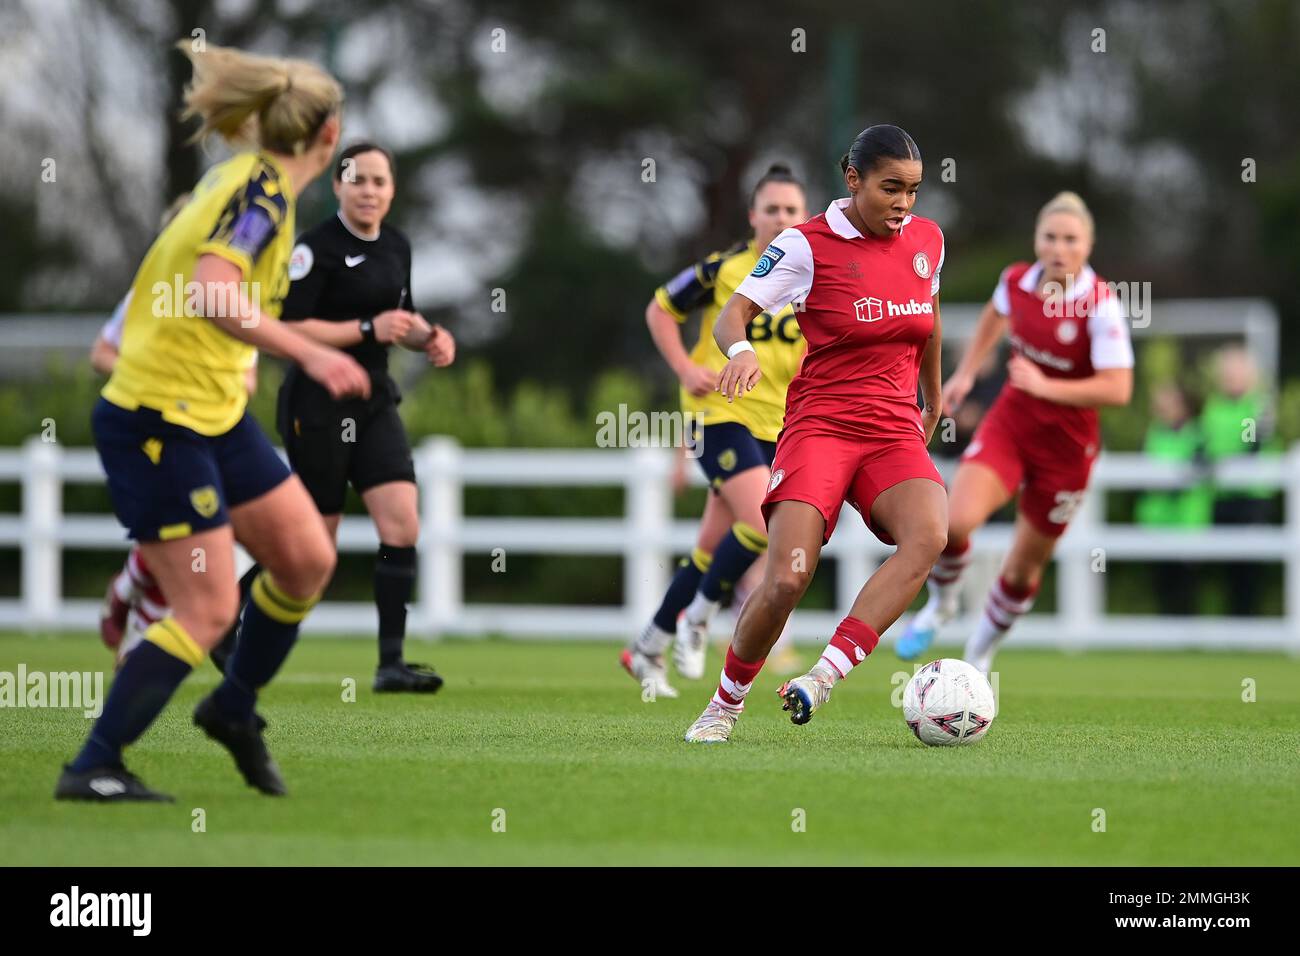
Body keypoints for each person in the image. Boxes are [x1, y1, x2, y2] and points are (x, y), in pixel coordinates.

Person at [56, 41, 369, 802]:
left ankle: (231, 707)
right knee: (208, 606)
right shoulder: (258, 200)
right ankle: (94, 767)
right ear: (329, 139)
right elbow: (214, 294)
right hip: (157, 420)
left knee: (305, 560)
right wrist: (310, 355)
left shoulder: (241, 179)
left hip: (214, 419)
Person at [682, 125, 948, 743]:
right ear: (852, 179)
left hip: (889, 430)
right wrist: (741, 351)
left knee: (929, 534)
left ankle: (824, 676)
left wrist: (932, 401)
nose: (904, 203)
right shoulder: (806, 246)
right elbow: (731, 315)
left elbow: (928, 323)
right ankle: (724, 703)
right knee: (787, 577)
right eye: (890, 188)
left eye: (912, 189)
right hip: (821, 427)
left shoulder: (928, 241)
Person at [213, 142, 455, 692]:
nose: (369, 191)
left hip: (373, 401)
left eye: (379, 182)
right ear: (338, 187)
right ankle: (223, 613)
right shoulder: (314, 248)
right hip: (317, 404)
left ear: (392, 191)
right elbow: (286, 328)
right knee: (314, 547)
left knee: (402, 523)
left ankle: (390, 663)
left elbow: (402, 317)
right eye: (358, 180)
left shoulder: (397, 245)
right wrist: (366, 329)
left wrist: (431, 339)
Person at [896, 191, 1134, 673]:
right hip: (1011, 424)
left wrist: (1047, 385)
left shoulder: (1100, 304)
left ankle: (979, 651)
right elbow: (993, 316)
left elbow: (1118, 388)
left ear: (1088, 245)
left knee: (1024, 569)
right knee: (954, 522)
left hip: (1067, 450)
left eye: (1070, 239)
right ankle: (941, 605)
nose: (1059, 249)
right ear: (1037, 240)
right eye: (1050, 237)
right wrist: (966, 372)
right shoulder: (1016, 281)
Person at [622, 165, 808, 697]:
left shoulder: (810, 275)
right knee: (766, 528)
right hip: (717, 416)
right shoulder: (726, 269)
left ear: (805, 216)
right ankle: (700, 616)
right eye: (770, 208)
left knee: (709, 550)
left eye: (791, 210)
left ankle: (649, 644)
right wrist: (684, 368)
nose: (780, 218)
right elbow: (660, 308)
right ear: (752, 215)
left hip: (777, 427)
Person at [94, 194, 261, 668]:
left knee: (202, 533)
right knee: (180, 530)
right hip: (153, 428)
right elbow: (101, 353)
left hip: (211, 430)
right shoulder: (150, 296)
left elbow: (247, 376)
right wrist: (154, 376)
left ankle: (131, 599)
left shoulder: (232, 297)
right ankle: (139, 623)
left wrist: (218, 387)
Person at [1200, 346, 1278, 616]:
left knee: (1249, 569)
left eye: (1236, 372)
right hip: (1221, 495)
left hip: (1251, 496)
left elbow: (1252, 445)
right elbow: (1206, 441)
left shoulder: (1258, 405)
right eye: (1227, 373)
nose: (1231, 377)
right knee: (1226, 566)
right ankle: (1230, 626)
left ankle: (1249, 622)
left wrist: (1224, 463)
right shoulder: (1213, 405)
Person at [1135, 382, 1211, 615]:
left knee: (1187, 585)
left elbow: (1202, 471)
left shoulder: (1198, 434)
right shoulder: (1154, 432)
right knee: (1162, 584)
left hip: (1187, 520)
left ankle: (1189, 637)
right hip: (1157, 520)